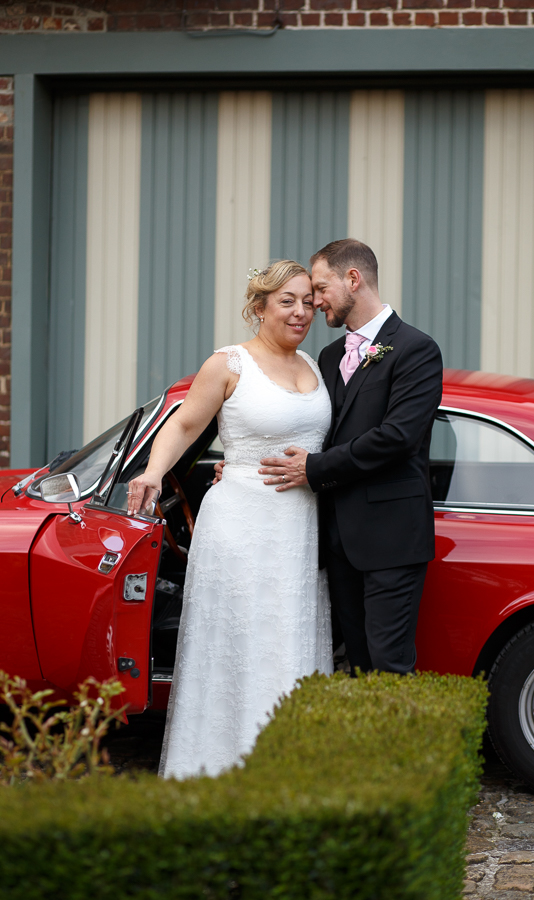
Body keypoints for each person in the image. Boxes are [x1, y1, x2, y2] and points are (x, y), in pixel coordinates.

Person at [127, 260, 333, 779]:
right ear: (258, 307)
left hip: (300, 527)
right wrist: (153, 472)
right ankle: (222, 767)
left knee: (289, 639)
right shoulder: (228, 363)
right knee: (241, 642)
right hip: (240, 524)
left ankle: (288, 766)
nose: (301, 311)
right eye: (287, 301)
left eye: (308, 300)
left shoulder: (314, 363)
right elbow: (184, 425)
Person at [257, 239, 443, 676]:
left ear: (353, 280)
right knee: (354, 664)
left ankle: (397, 748)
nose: (314, 302)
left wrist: (313, 469)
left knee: (388, 664)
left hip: (390, 539)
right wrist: (249, 464)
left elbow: (397, 437)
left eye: (320, 289)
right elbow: (309, 427)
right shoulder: (329, 355)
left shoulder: (416, 349)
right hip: (334, 539)